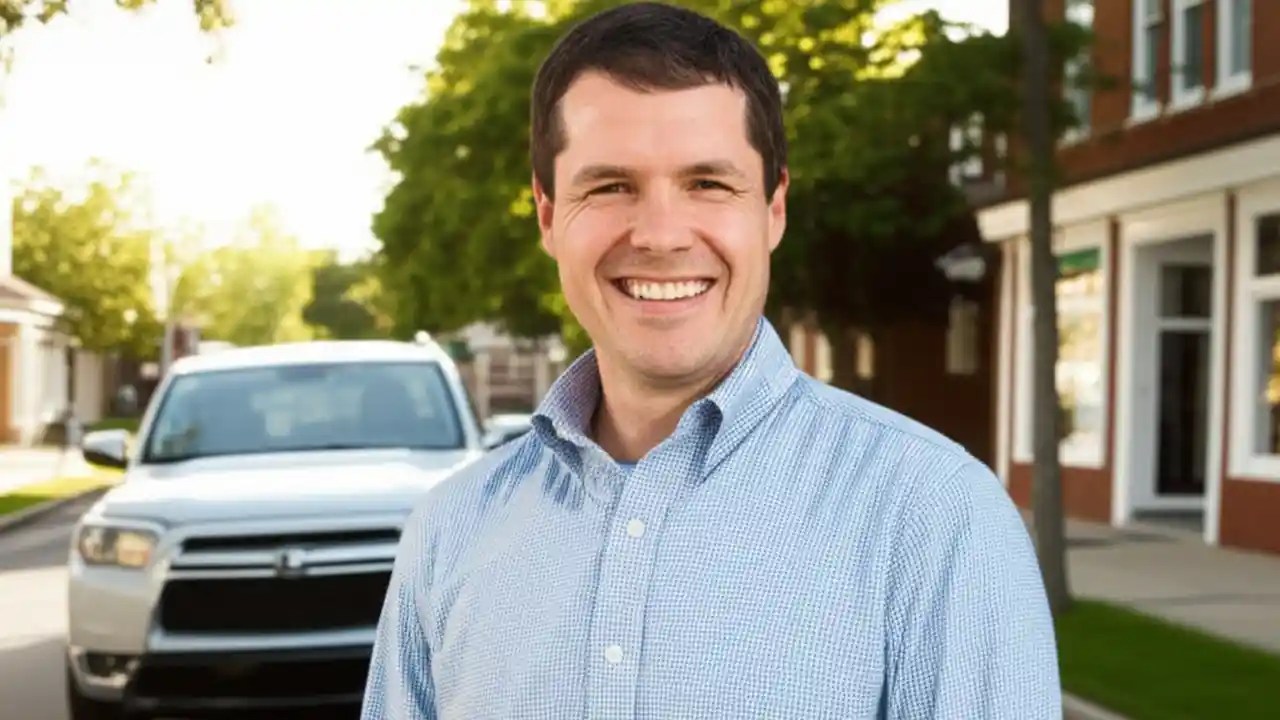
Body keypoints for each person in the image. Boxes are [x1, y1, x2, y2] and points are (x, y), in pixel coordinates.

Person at [361, 3, 1060, 718]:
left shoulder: (935, 516)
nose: (660, 235)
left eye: (708, 184)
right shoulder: (451, 529)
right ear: (547, 215)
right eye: (610, 186)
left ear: (774, 209)